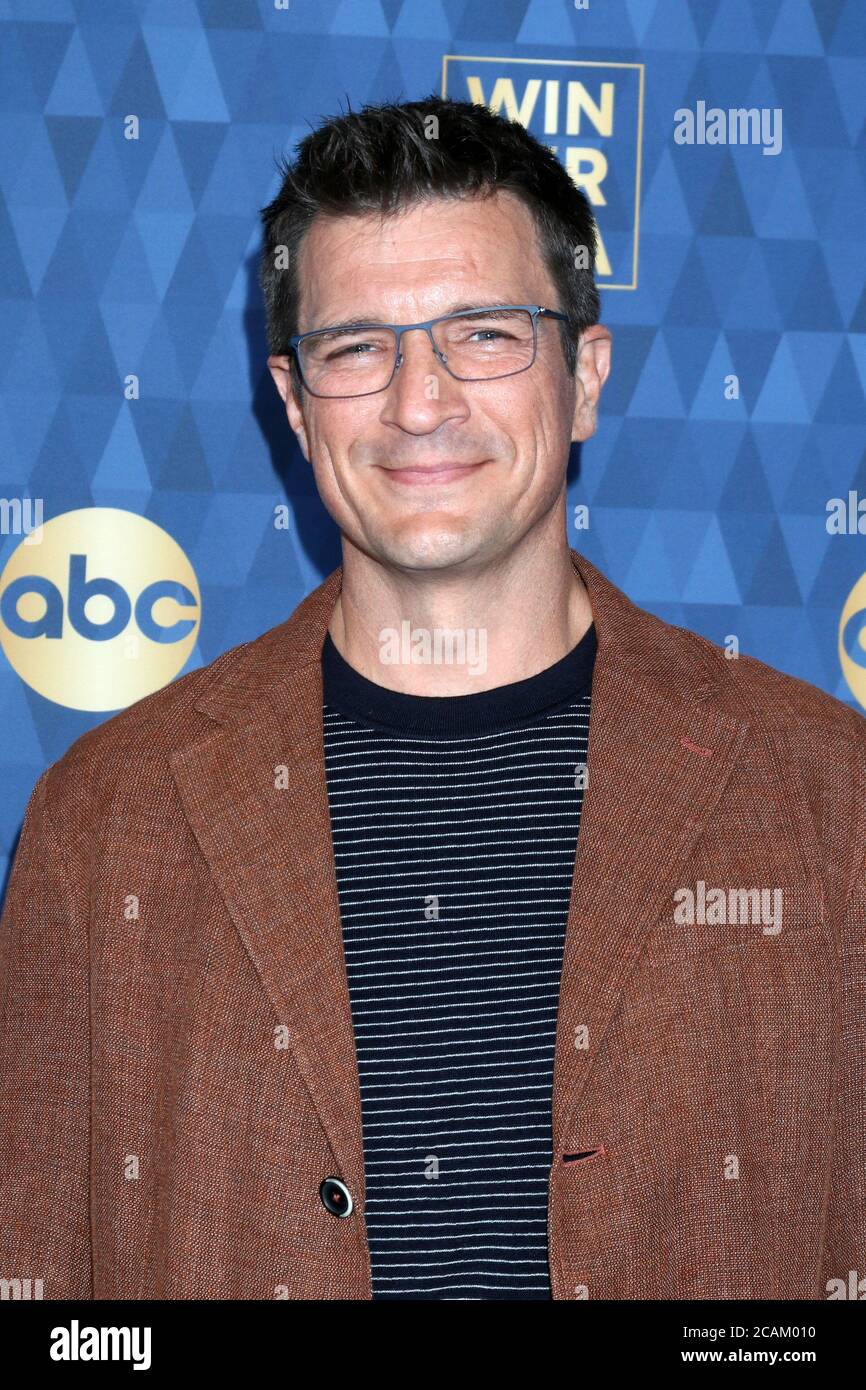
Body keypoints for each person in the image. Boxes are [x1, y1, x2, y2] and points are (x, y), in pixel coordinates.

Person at [0, 96, 863, 1302]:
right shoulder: (104, 821)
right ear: (295, 405)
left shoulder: (830, 799)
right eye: (357, 347)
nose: (419, 402)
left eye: (484, 335)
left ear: (582, 375)